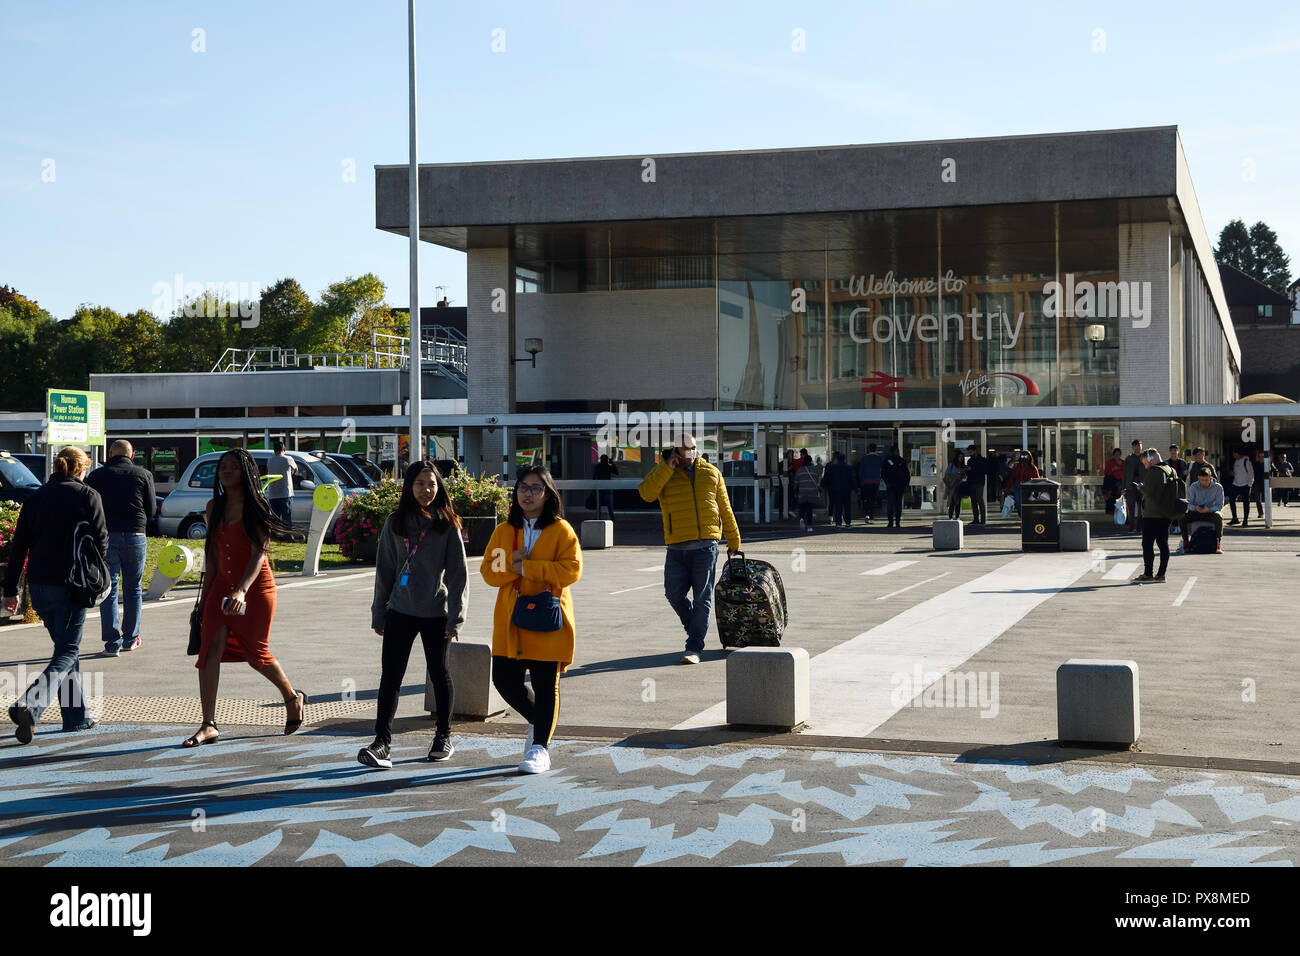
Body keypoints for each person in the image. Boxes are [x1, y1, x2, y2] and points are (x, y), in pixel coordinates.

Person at [182, 449, 306, 747]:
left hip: (256, 589)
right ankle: (208, 723)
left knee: (256, 655)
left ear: (246, 472)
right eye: (222, 467)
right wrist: (205, 596)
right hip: (220, 589)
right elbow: (212, 554)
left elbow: (258, 554)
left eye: (233, 467)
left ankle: (292, 697)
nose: (226, 471)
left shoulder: (257, 506)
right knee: (208, 652)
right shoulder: (214, 506)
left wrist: (241, 590)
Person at [358, 460, 468, 769]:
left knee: (439, 674)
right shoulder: (395, 522)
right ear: (409, 486)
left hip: (436, 613)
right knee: (390, 677)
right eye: (420, 484)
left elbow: (458, 575)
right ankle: (382, 744)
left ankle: (443, 737)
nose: (426, 490)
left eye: (431, 484)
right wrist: (379, 612)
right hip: (400, 611)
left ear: (439, 487)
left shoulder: (446, 524)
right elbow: (386, 570)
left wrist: (455, 616)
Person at [481, 466, 582, 774]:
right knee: (504, 681)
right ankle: (539, 724)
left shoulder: (561, 530)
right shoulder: (504, 531)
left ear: (547, 493)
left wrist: (529, 568)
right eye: (523, 487)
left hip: (548, 615)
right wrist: (515, 566)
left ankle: (540, 748)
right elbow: (489, 572)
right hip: (511, 618)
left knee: (545, 682)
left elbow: (571, 570)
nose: (527, 493)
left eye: (535, 488)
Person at [2, 447, 107, 744]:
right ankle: (30, 705)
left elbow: (19, 545)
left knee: (64, 648)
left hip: (39, 584)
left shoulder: (35, 498)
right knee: (67, 651)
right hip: (72, 584)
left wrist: (11, 589)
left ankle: (76, 717)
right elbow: (101, 541)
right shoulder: (87, 496)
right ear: (81, 469)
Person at [637, 434, 740, 664]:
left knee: (702, 598)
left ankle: (693, 647)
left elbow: (725, 508)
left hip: (706, 546)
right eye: (686, 449)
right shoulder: (664, 473)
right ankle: (695, 628)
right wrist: (667, 468)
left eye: (694, 448)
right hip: (676, 546)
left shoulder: (711, 473)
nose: (691, 452)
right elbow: (646, 493)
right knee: (673, 594)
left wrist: (734, 540)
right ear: (676, 450)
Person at [84, 439, 156, 656]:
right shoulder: (144, 474)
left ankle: (112, 643)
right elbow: (151, 509)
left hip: (106, 536)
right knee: (134, 588)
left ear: (110, 454)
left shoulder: (97, 476)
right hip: (136, 535)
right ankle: (131, 638)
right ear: (131, 455)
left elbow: (88, 507)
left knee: (109, 589)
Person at [1134, 449, 1179, 583]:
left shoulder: (1154, 471)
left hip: (1152, 514)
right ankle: (1161, 574)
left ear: (1150, 458)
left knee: (1147, 544)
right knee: (1163, 543)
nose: (1145, 465)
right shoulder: (1170, 470)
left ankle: (1148, 573)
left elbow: (1148, 491)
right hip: (1166, 513)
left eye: (1145, 462)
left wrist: (1140, 487)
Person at [1178, 467, 1224, 554]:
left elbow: (1219, 505)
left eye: (1206, 480)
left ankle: (1218, 543)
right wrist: (1195, 508)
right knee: (1182, 517)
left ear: (1211, 478)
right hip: (1196, 511)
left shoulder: (1218, 487)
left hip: (1210, 512)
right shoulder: (1193, 486)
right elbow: (1189, 503)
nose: (1204, 482)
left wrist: (1209, 509)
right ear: (1198, 478)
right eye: (1202, 480)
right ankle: (1186, 542)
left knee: (1218, 517)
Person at [265, 440, 297, 528]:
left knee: (275, 519)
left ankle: (275, 536)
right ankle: (287, 536)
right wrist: (290, 472)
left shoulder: (269, 460)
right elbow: (296, 469)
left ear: (274, 450)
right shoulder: (288, 459)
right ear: (284, 449)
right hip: (285, 493)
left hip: (272, 494)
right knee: (286, 517)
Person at [820, 451, 855, 527]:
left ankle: (838, 523)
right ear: (844, 459)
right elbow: (852, 479)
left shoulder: (832, 467)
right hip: (846, 490)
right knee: (847, 507)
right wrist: (856, 489)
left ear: (837, 459)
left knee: (838, 506)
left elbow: (827, 477)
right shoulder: (848, 467)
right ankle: (848, 523)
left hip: (835, 490)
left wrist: (822, 485)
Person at [881, 445, 910, 529]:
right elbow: (883, 472)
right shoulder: (887, 460)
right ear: (892, 452)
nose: (898, 452)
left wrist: (906, 485)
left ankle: (897, 522)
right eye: (896, 451)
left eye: (898, 451)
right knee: (890, 504)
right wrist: (887, 482)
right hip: (891, 486)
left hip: (900, 486)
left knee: (898, 505)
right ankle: (890, 522)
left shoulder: (902, 461)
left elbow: (907, 474)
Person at [1004, 450, 1041, 515]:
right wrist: (1008, 488)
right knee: (1018, 502)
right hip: (1018, 486)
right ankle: (1022, 515)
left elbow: (1037, 478)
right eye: (1022, 456)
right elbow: (1012, 478)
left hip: (1028, 486)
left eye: (1026, 456)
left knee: (1027, 502)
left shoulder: (1033, 467)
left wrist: (1037, 490)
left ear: (1029, 457)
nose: (1024, 457)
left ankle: (1025, 515)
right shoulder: (1017, 466)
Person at [856, 444, 883, 524]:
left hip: (866, 482)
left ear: (869, 449)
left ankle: (867, 514)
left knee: (866, 499)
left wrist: (861, 481)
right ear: (875, 449)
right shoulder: (879, 459)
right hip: (875, 481)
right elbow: (881, 470)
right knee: (873, 499)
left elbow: (860, 471)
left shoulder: (864, 459)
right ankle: (871, 517)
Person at [1227, 448, 1254, 527]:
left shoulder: (1246, 461)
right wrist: (1233, 474)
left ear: (1238, 454)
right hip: (1236, 484)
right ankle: (1234, 518)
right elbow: (1238, 473)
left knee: (1246, 503)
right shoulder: (1236, 461)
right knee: (1231, 500)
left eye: (1234, 454)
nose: (1233, 455)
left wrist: (1249, 485)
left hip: (1245, 485)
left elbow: (1251, 474)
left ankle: (1245, 520)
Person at [1122, 439, 1145, 533]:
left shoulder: (1145, 457)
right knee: (1131, 506)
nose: (1137, 448)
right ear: (1132, 447)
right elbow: (1124, 473)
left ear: (1141, 446)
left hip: (1142, 485)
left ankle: (1139, 526)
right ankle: (1131, 526)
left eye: (1139, 446)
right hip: (1130, 485)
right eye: (1135, 446)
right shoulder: (1129, 458)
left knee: (1142, 507)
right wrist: (1123, 487)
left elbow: (1148, 471)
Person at [792, 457, 819, 531]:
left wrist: (795, 490)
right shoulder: (815, 470)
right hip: (812, 492)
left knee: (802, 507)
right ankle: (809, 526)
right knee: (809, 509)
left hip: (802, 491)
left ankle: (801, 518)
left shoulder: (800, 470)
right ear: (811, 461)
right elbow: (817, 480)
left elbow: (796, 482)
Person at [963, 445, 988, 524]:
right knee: (973, 501)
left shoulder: (982, 460)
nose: (969, 453)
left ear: (975, 451)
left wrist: (972, 469)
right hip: (971, 482)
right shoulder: (970, 460)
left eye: (970, 452)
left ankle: (983, 520)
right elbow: (968, 473)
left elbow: (984, 471)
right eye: (969, 452)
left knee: (980, 500)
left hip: (979, 482)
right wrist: (966, 470)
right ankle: (976, 519)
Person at [593, 453, 618, 523]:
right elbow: (616, 472)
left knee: (599, 504)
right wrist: (612, 463)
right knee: (609, 504)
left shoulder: (598, 466)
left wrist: (594, 487)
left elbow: (594, 477)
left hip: (600, 487)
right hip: (607, 487)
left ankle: (598, 517)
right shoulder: (608, 467)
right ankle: (612, 517)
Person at [943, 452, 967, 520]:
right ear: (956, 457)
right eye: (959, 457)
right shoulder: (952, 464)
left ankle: (957, 516)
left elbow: (964, 476)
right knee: (952, 501)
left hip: (959, 485)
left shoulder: (962, 465)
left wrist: (963, 473)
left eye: (962, 457)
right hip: (952, 484)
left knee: (958, 502)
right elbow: (947, 474)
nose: (961, 458)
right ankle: (950, 516)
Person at [1100, 448, 1125, 514]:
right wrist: (1113, 470)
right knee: (1110, 496)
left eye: (1119, 454)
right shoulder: (1110, 462)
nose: (1117, 456)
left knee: (1118, 495)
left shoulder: (1123, 463)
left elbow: (1125, 473)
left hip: (1120, 482)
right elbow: (1106, 473)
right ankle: (1110, 511)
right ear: (1113, 455)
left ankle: (1118, 511)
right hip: (1111, 483)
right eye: (1116, 454)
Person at [1251, 450, 1268, 519]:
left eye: (1263, 456)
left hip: (1265, 484)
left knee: (1266, 499)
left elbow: (1275, 471)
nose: (1261, 458)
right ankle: (1260, 513)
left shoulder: (1267, 464)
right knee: (1257, 500)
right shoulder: (1255, 464)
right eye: (1260, 456)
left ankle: (1267, 513)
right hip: (1257, 483)